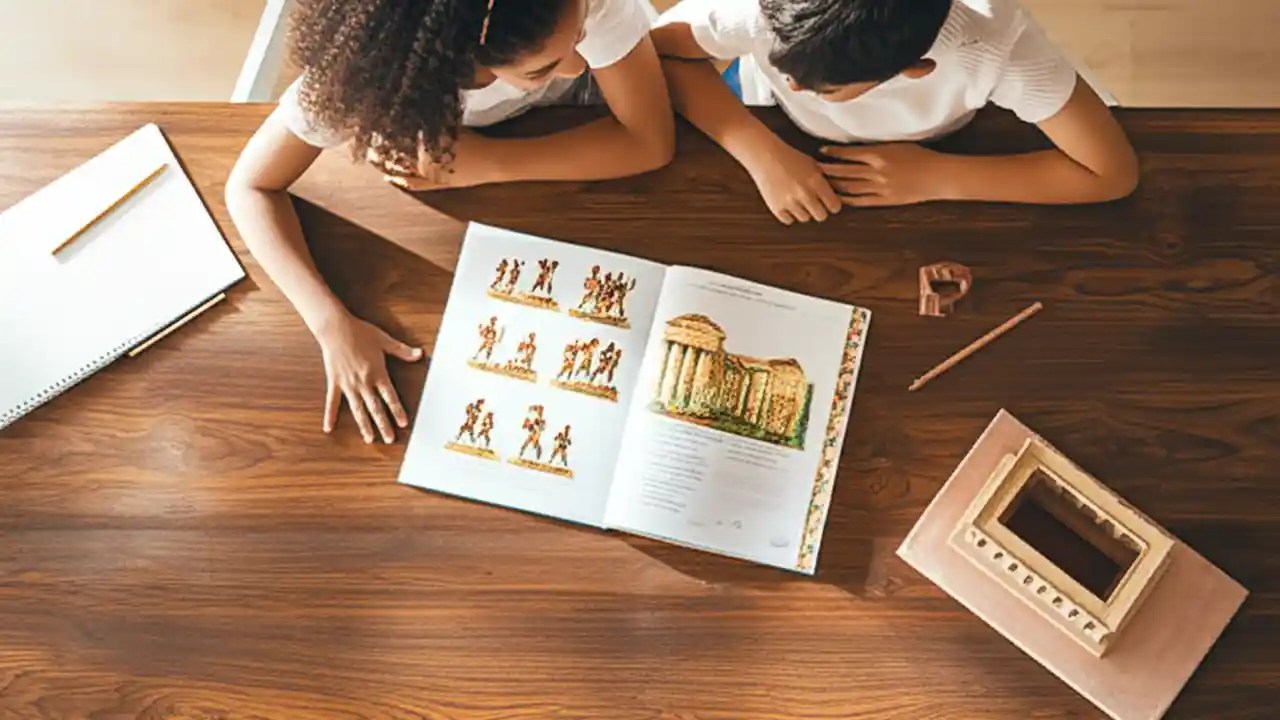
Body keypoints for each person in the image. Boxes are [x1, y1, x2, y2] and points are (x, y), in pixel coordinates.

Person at [225, 0, 674, 444]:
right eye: (542, 68)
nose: (580, 63)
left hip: (588, 112)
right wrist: (330, 324)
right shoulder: (371, 71)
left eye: (578, 36)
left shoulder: (582, 7)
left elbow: (649, 142)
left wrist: (484, 163)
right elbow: (250, 187)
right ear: (461, 56)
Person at [652, 0, 1139, 225]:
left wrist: (937, 177)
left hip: (943, 139)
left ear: (914, 69)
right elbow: (657, 55)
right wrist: (760, 151)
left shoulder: (992, 47)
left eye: (824, 88)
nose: (794, 85)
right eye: (785, 68)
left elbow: (1112, 172)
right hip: (781, 127)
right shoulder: (760, 11)